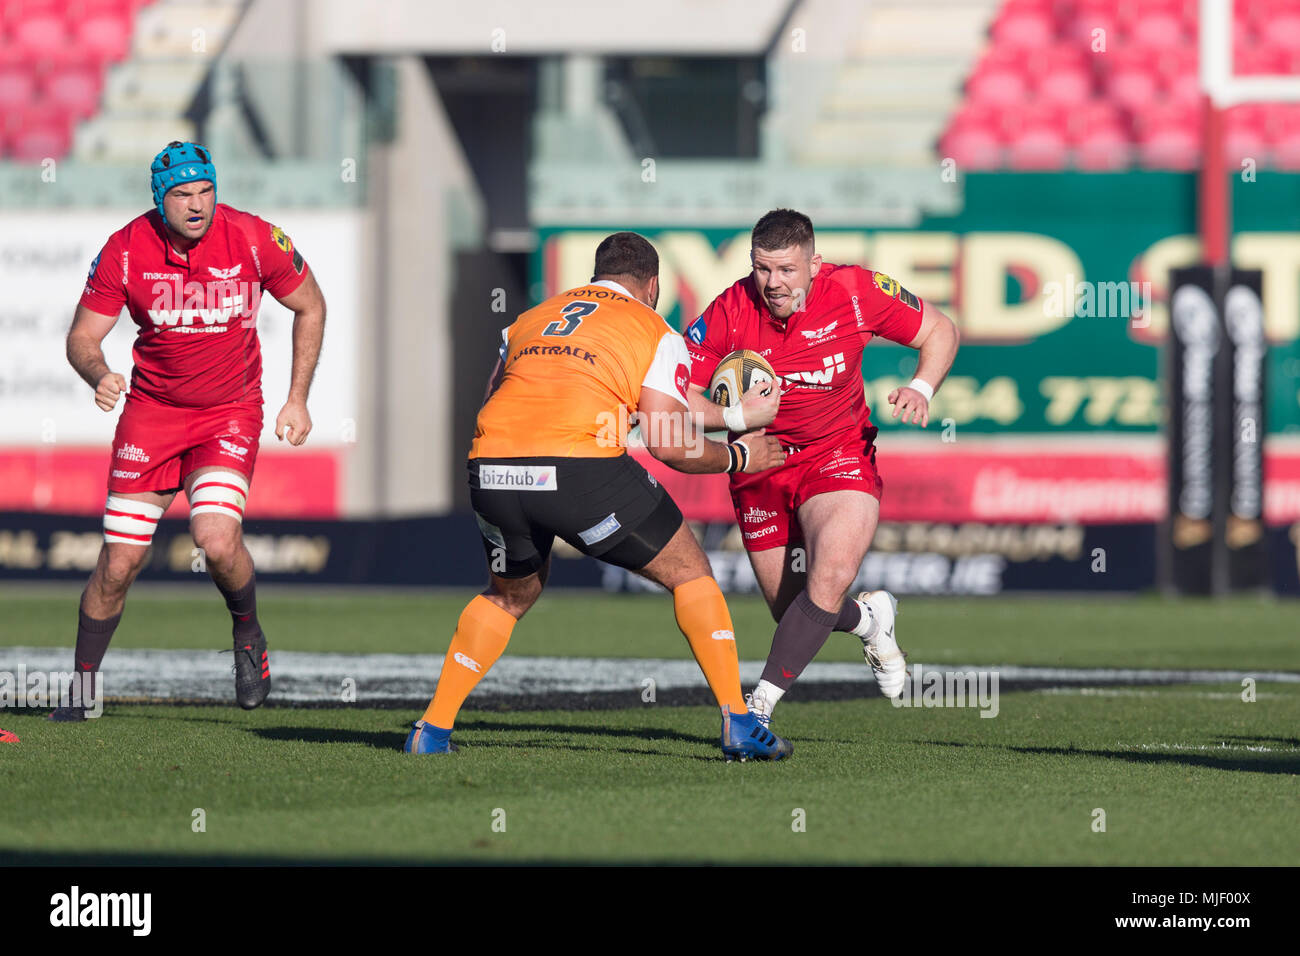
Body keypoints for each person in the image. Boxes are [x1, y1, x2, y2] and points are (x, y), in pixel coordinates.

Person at [405, 232, 792, 761]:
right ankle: (739, 722)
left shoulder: (531, 318)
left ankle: (431, 730)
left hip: (491, 466)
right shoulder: (653, 328)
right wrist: (741, 456)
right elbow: (669, 443)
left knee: (509, 595)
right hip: (578, 471)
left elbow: (502, 392)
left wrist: (728, 418)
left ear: (596, 275)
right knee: (690, 572)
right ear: (652, 286)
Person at [50, 141, 326, 720]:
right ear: (160, 200)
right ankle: (80, 689)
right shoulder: (126, 249)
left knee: (216, 540)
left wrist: (297, 398)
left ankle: (248, 636)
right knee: (119, 563)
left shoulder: (252, 237)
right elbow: (82, 338)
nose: (198, 204)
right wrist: (98, 374)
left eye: (206, 190)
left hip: (228, 412)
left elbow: (311, 305)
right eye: (183, 195)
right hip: (151, 417)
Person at [684, 209, 960, 727]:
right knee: (793, 608)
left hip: (838, 453)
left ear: (813, 263)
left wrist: (921, 387)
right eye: (763, 269)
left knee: (829, 576)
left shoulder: (856, 289)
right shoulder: (728, 310)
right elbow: (679, 401)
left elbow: (940, 330)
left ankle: (757, 707)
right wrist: (736, 417)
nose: (773, 283)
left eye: (786, 269)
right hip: (759, 467)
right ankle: (870, 620)